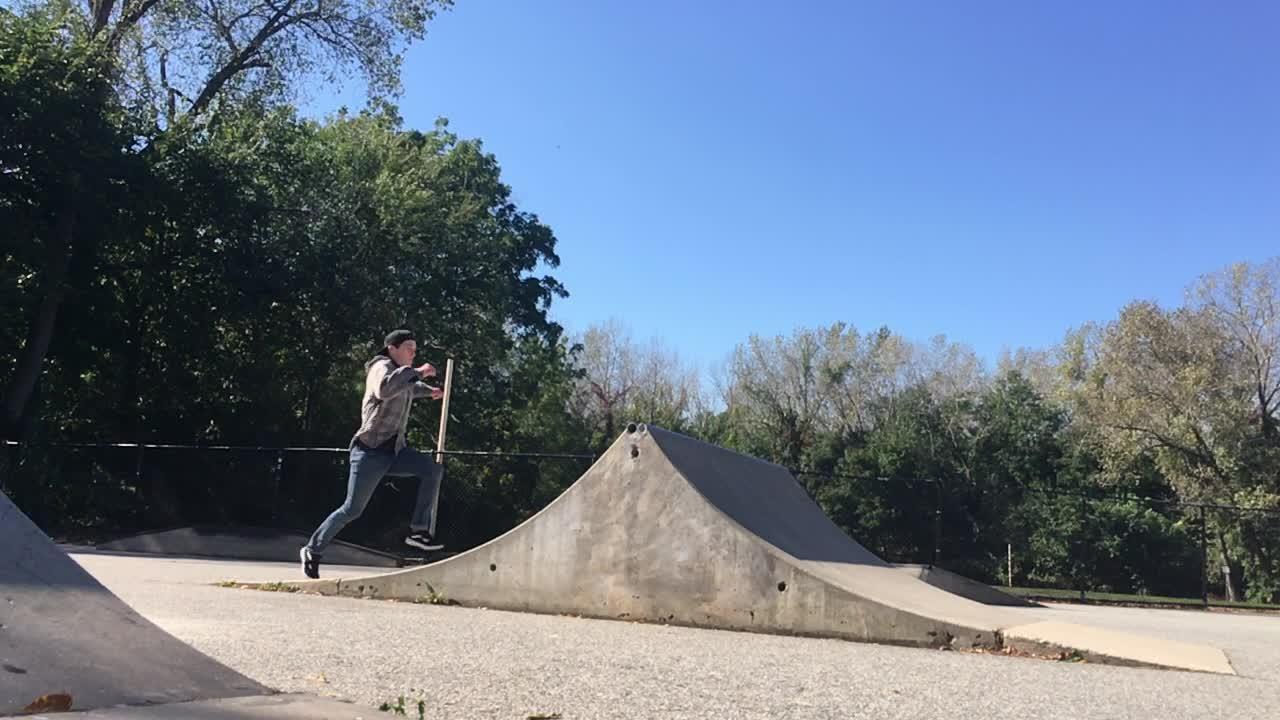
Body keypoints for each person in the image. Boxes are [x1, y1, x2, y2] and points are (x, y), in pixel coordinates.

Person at [301, 329, 447, 579]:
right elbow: (385, 389)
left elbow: (411, 388)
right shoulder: (380, 367)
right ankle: (312, 550)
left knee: (431, 469)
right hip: (369, 452)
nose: (413, 353)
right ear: (393, 348)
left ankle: (418, 532)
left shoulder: (406, 378)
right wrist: (419, 370)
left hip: (394, 453)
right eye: (409, 347)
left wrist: (431, 391)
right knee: (351, 509)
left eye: (415, 348)